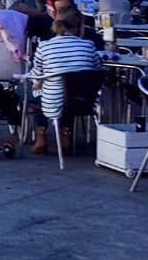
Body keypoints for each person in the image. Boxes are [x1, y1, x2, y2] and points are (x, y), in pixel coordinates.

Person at [28, 10, 103, 154]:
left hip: (53, 101)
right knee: (70, 90)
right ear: (79, 27)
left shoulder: (44, 47)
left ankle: (41, 136)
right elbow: (98, 70)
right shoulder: (89, 45)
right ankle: (66, 135)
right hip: (84, 101)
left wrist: (37, 81)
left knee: (37, 92)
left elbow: (37, 76)